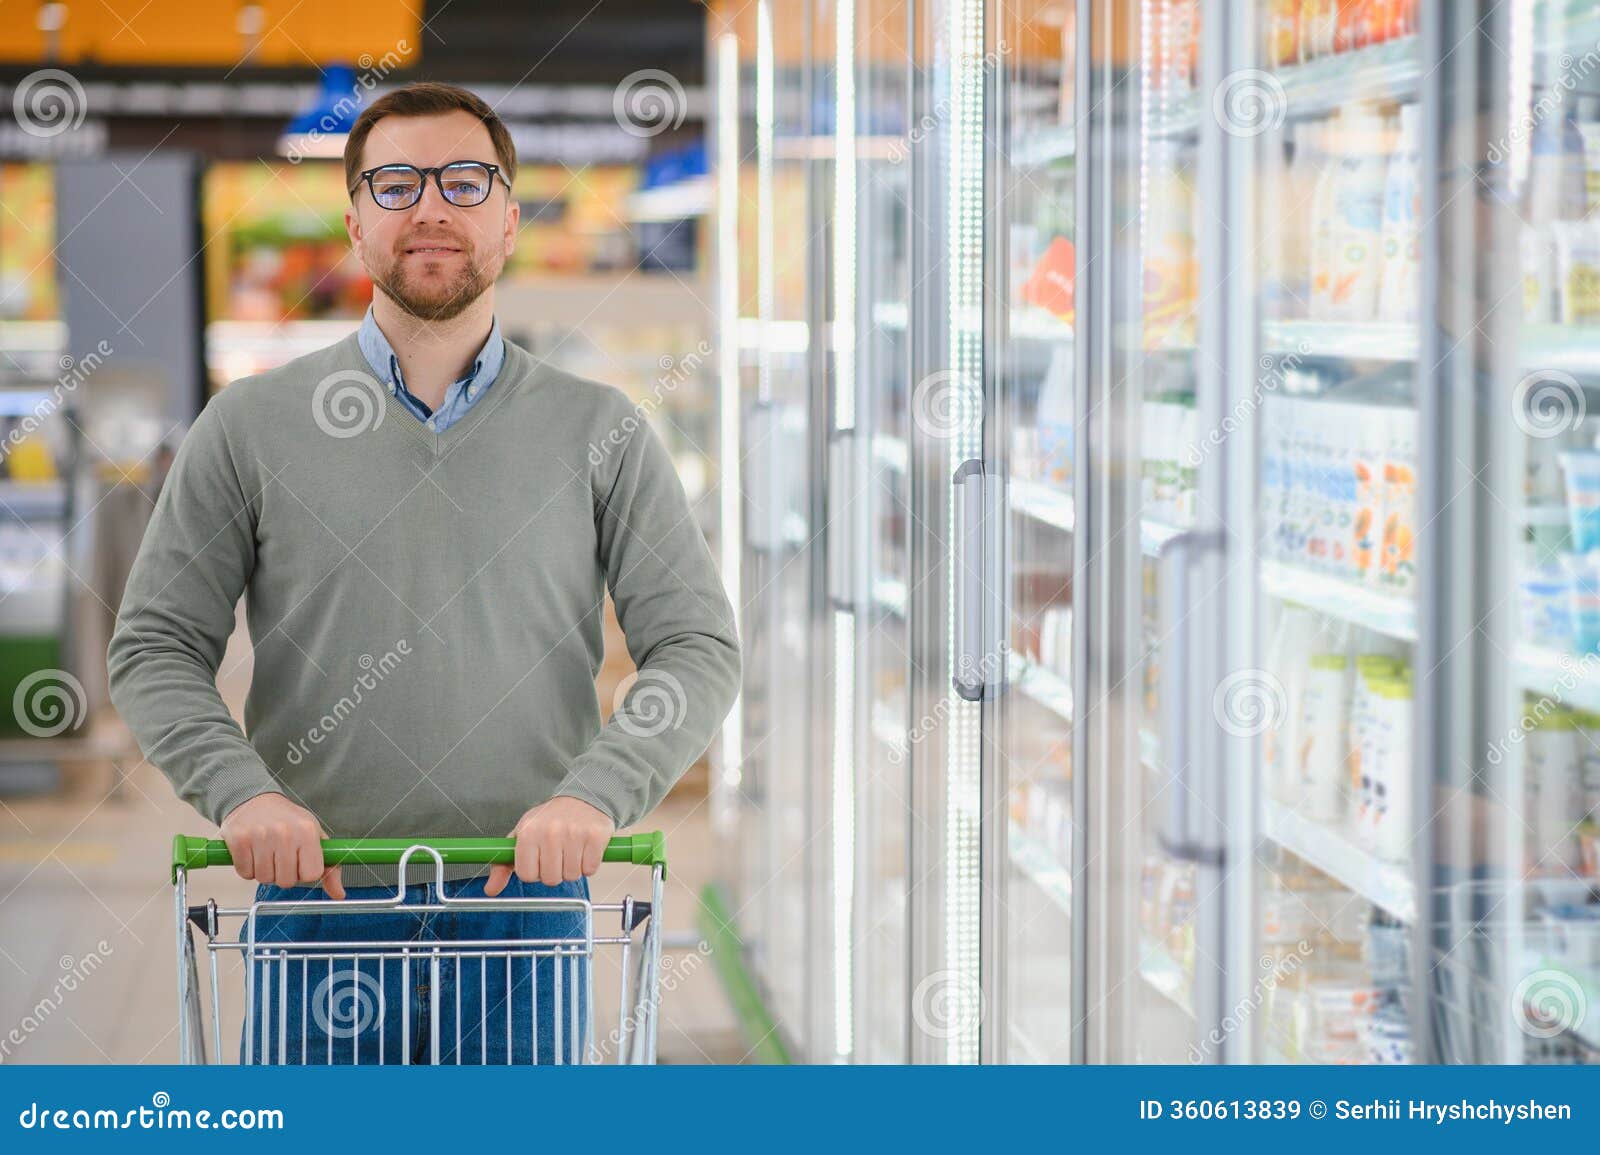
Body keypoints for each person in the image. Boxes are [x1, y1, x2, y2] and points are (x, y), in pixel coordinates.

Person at [107, 82, 740, 1064]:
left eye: (465, 180)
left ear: (509, 217)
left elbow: (695, 646)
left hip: (524, 908)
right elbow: (154, 646)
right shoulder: (249, 427)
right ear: (355, 219)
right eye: (396, 183)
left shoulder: (600, 429)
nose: (432, 207)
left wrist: (596, 796)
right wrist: (242, 794)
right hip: (318, 903)